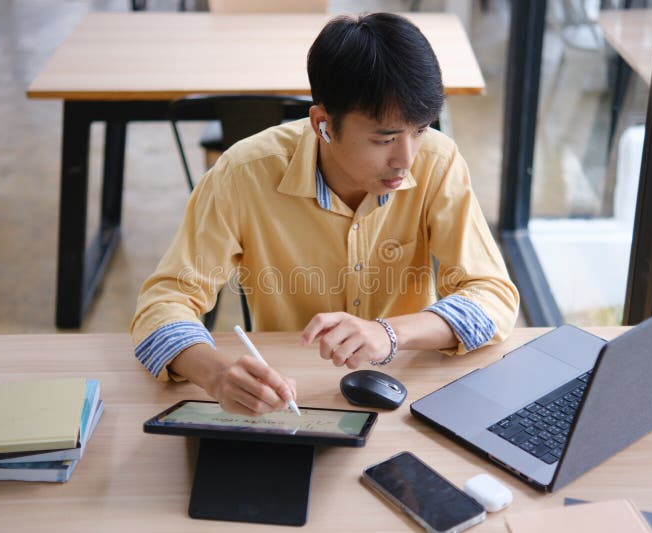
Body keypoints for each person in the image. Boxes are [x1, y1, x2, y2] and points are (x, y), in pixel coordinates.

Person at [131, 12, 519, 416]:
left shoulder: (438, 162)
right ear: (323, 124)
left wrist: (388, 333)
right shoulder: (242, 174)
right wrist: (215, 375)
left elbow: (492, 297)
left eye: (419, 130)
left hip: (410, 389)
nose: (406, 159)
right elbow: (163, 304)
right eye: (384, 138)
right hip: (291, 402)